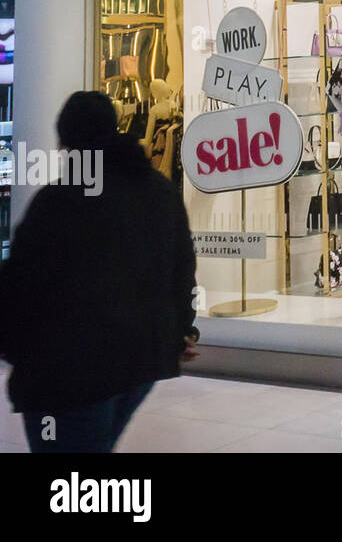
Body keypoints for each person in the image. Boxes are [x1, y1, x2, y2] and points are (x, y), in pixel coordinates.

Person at [0, 91, 199, 452]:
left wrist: (16, 350)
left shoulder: (60, 200)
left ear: (67, 140)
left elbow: (21, 284)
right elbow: (181, 266)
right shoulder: (158, 191)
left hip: (73, 371)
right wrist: (183, 327)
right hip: (139, 359)